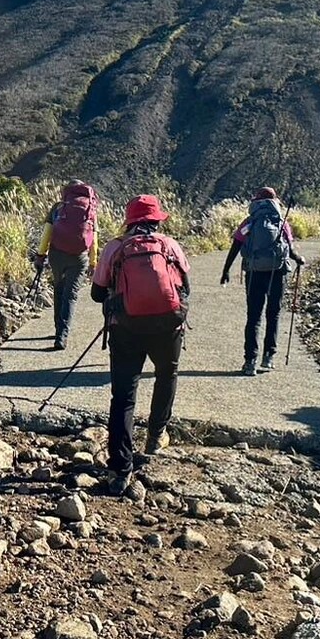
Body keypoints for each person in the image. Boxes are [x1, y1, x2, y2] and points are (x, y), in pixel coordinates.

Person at [91, 194, 191, 495]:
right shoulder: (170, 245)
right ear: (156, 219)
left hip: (126, 328)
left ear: (129, 220)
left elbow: (97, 294)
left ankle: (120, 470)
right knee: (167, 375)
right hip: (167, 326)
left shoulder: (115, 247)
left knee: (123, 397)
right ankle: (155, 437)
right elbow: (185, 288)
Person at [219, 187, 306, 375]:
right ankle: (268, 357)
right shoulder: (281, 222)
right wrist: (299, 259)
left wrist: (226, 270)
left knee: (254, 317)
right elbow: (290, 251)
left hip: (254, 273)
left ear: (256, 202)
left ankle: (250, 361)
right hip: (278, 272)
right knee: (273, 314)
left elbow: (236, 246)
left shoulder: (250, 222)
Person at [33, 181, 99, 351]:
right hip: (79, 258)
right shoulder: (90, 209)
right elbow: (94, 239)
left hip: (57, 255)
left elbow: (47, 233)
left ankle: (58, 329)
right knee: (71, 295)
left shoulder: (58, 207)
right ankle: (62, 336)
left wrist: (41, 255)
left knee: (59, 289)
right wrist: (93, 262)